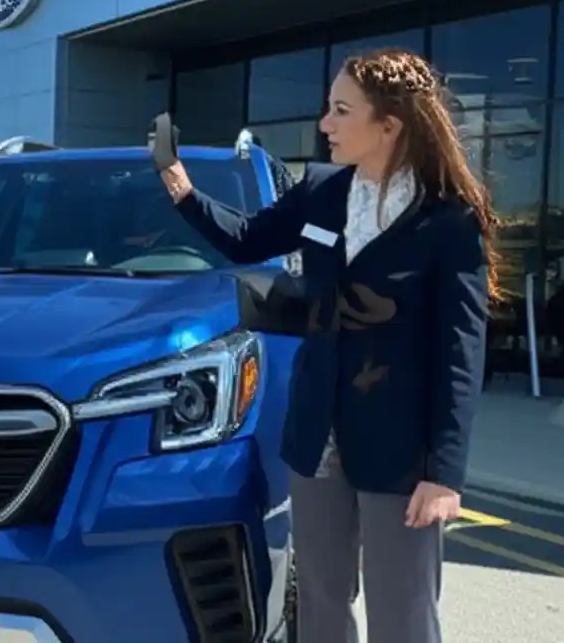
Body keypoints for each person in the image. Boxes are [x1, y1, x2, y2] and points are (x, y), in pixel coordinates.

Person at [155, 48, 496, 643]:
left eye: (341, 111)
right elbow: (246, 239)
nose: (325, 124)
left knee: (403, 612)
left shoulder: (448, 222)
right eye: (327, 109)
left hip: (401, 451)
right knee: (319, 598)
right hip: (317, 437)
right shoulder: (321, 190)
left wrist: (444, 473)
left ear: (388, 127)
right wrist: (180, 187)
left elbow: (460, 352)